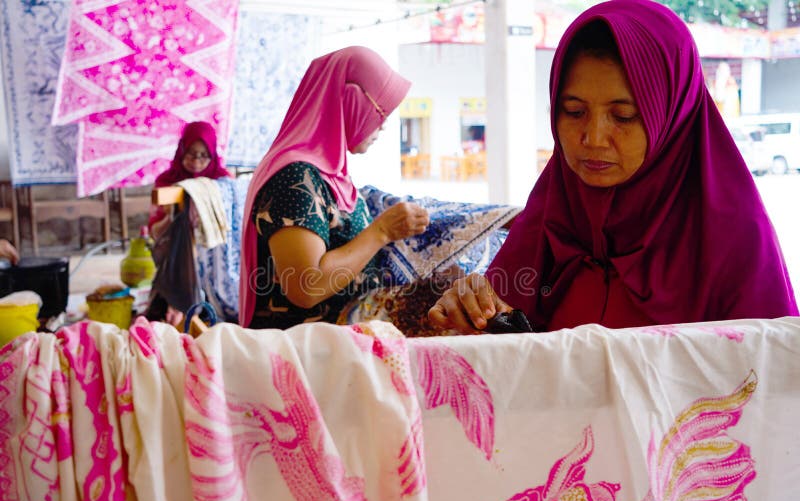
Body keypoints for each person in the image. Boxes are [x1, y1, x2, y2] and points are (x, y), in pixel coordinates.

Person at [429, 0, 798, 334]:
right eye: (573, 112)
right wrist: (470, 315)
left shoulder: (733, 241)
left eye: (623, 116)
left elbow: (768, 385)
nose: (593, 138)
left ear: (671, 119)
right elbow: (504, 351)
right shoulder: (550, 218)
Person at [239, 46, 429, 329]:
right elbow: (306, 287)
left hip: (333, 355)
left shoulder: (329, 176)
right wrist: (382, 231)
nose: (384, 125)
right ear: (349, 100)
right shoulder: (294, 178)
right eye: (380, 110)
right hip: (303, 361)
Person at [148, 121, 232, 237]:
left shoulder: (223, 181)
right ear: (181, 150)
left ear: (212, 154)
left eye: (204, 155)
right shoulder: (165, 182)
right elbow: (154, 232)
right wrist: (171, 216)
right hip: (178, 248)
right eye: (191, 153)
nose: (196, 161)